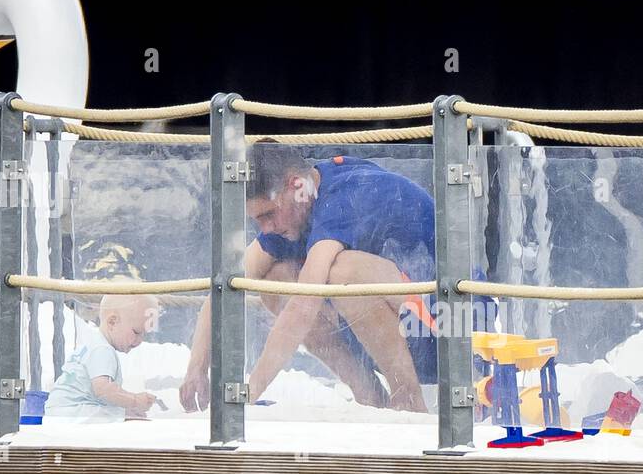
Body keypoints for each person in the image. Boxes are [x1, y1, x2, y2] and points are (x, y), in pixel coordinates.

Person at [180, 145, 458, 413]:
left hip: (450, 335)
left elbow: (304, 306)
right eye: (257, 220)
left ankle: (407, 401)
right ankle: (370, 398)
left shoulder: (346, 194)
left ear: (296, 185)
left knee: (342, 271)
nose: (266, 228)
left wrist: (247, 394)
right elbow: (223, 287)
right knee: (276, 279)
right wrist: (196, 368)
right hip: (403, 331)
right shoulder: (298, 208)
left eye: (268, 214)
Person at [46, 292, 160, 419]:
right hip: (72, 411)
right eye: (137, 332)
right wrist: (134, 401)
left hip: (62, 410)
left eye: (144, 334)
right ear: (112, 322)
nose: (140, 341)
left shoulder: (94, 343)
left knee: (119, 414)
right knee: (122, 418)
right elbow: (103, 390)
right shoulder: (102, 350)